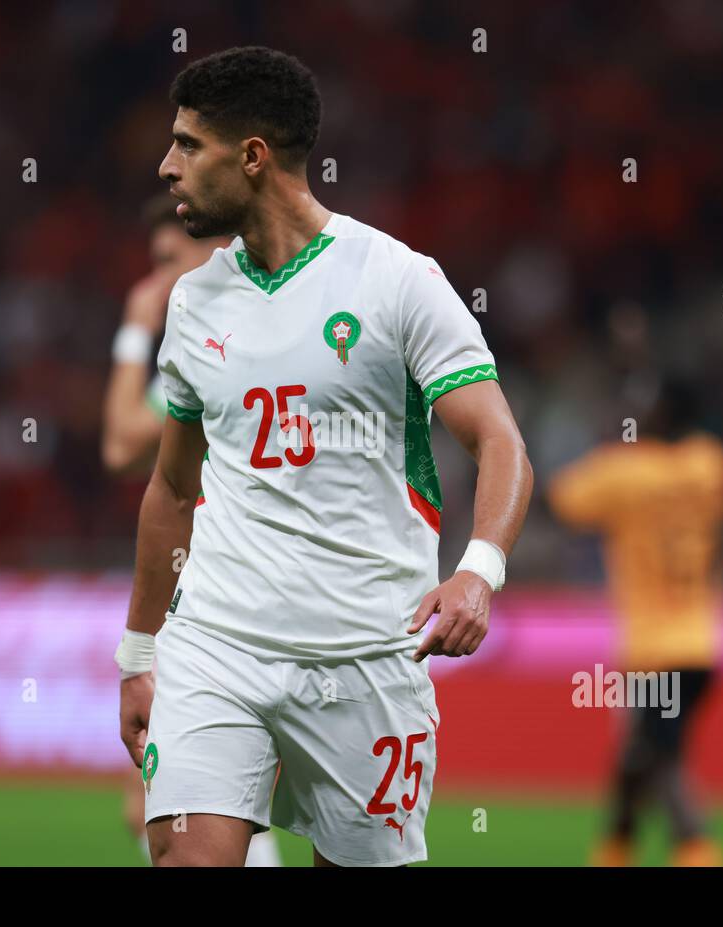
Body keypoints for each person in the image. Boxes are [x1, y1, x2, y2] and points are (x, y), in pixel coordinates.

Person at [115, 46, 533, 867]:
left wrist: (479, 570)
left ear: (253, 156)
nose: (168, 167)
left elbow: (499, 440)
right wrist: (137, 654)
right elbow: (170, 486)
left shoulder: (398, 280)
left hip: (367, 655)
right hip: (217, 645)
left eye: (188, 145)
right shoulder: (195, 301)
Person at [101, 195, 280, 865]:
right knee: (201, 817)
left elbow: (120, 443)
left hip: (240, 606)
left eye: (168, 261)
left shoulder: (228, 347)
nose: (154, 281)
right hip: (208, 601)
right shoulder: (202, 353)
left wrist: (133, 327)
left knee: (193, 809)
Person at [547, 380, 723, 866]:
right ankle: (614, 851)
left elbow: (561, 497)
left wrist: (611, 437)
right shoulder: (710, 464)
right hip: (703, 644)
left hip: (653, 650)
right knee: (638, 759)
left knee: (663, 763)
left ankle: (698, 853)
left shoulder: (623, 473)